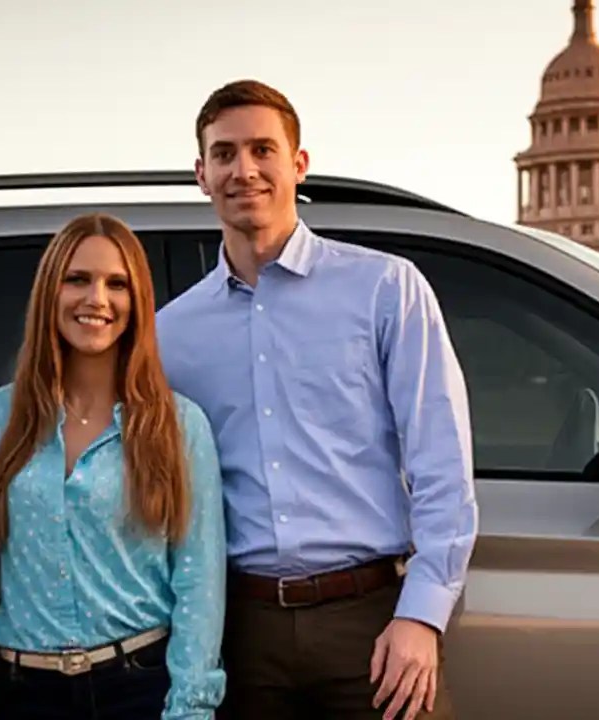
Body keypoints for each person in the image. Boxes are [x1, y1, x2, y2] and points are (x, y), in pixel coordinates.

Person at [155, 79, 478, 720]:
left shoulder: (386, 289)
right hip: (240, 631)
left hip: (372, 623)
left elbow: (442, 464)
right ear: (201, 173)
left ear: (298, 164)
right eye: (223, 154)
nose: (243, 170)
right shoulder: (171, 333)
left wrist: (421, 617)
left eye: (262, 150)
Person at [0, 212, 228, 720]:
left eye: (117, 284)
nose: (97, 300)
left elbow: (199, 579)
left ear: (138, 301)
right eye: (77, 279)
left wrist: (191, 707)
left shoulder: (177, 425)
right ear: (50, 292)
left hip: (138, 688)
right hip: (25, 693)